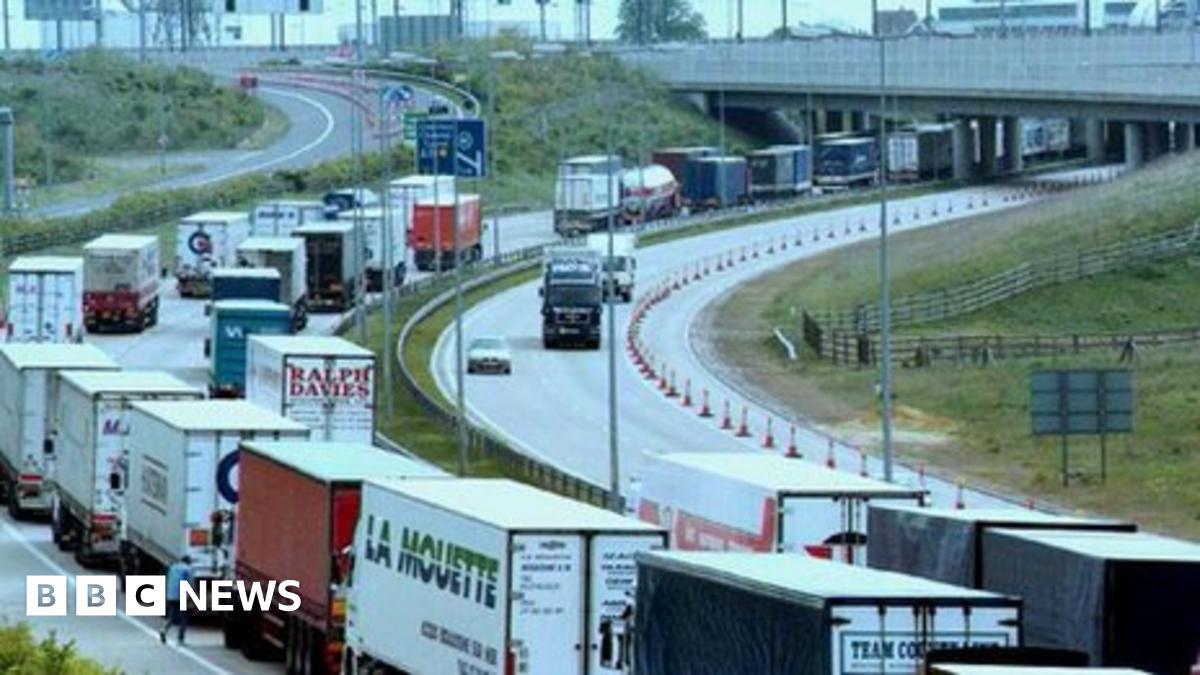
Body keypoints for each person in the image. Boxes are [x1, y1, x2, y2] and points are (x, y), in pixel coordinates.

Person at [160, 555, 193, 645]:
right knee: (183, 618)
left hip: (171, 595)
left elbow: (168, 579)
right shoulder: (187, 569)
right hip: (181, 596)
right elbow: (189, 583)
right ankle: (180, 639)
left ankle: (164, 629)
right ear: (188, 561)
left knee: (172, 616)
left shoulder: (173, 567)